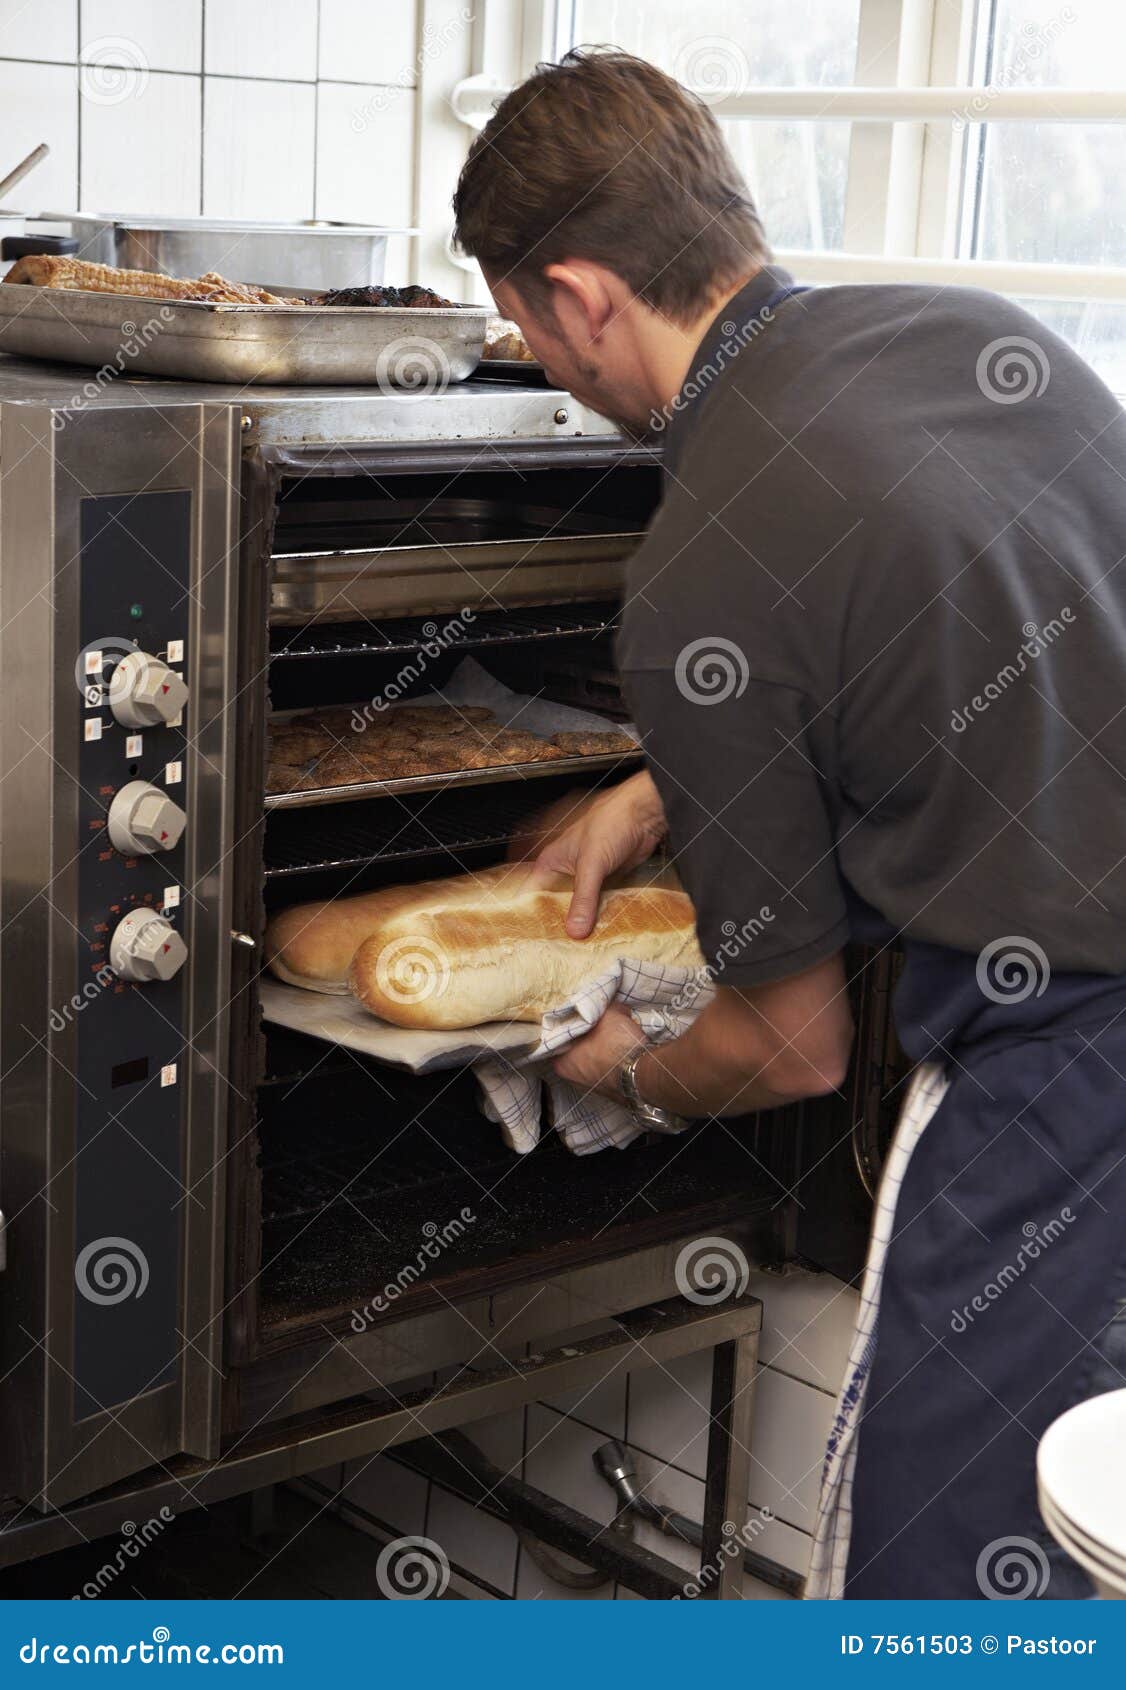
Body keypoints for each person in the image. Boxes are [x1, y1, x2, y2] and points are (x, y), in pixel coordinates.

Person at [453, 47, 1126, 1599]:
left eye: (523, 327)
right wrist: (662, 782)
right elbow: (960, 634)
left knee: (950, 1574)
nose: (542, 363)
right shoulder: (974, 334)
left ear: (581, 294)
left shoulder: (697, 566)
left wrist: (616, 1066)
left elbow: (790, 1045)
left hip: (1075, 1086)